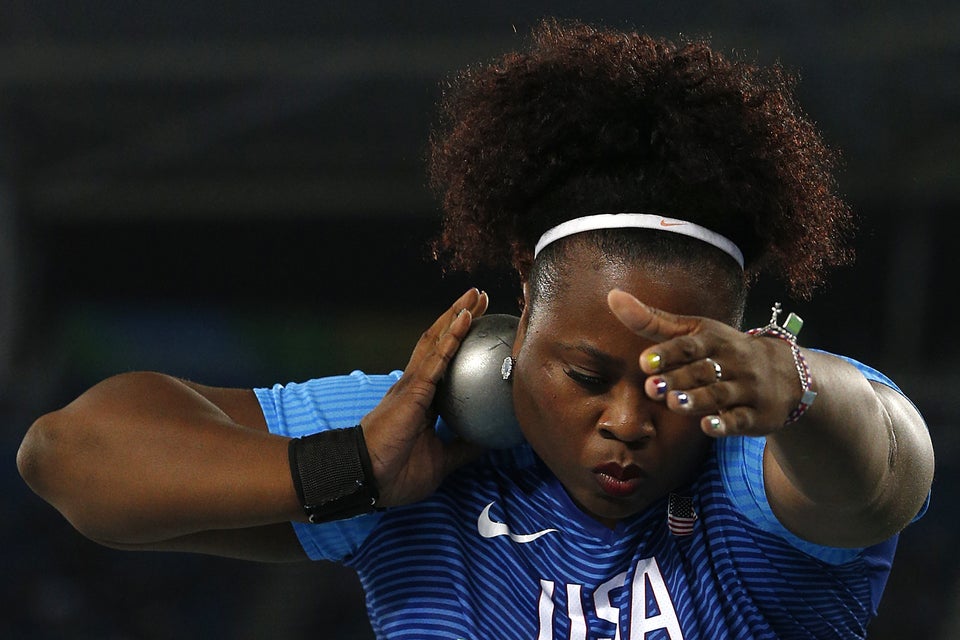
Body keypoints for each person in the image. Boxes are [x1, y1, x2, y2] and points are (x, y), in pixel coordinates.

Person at [17, 18, 934, 640]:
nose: (626, 419)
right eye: (584, 375)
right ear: (519, 324)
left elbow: (892, 466)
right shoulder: (427, 434)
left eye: (670, 379)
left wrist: (801, 392)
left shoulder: (760, 471)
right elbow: (68, 455)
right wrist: (349, 473)